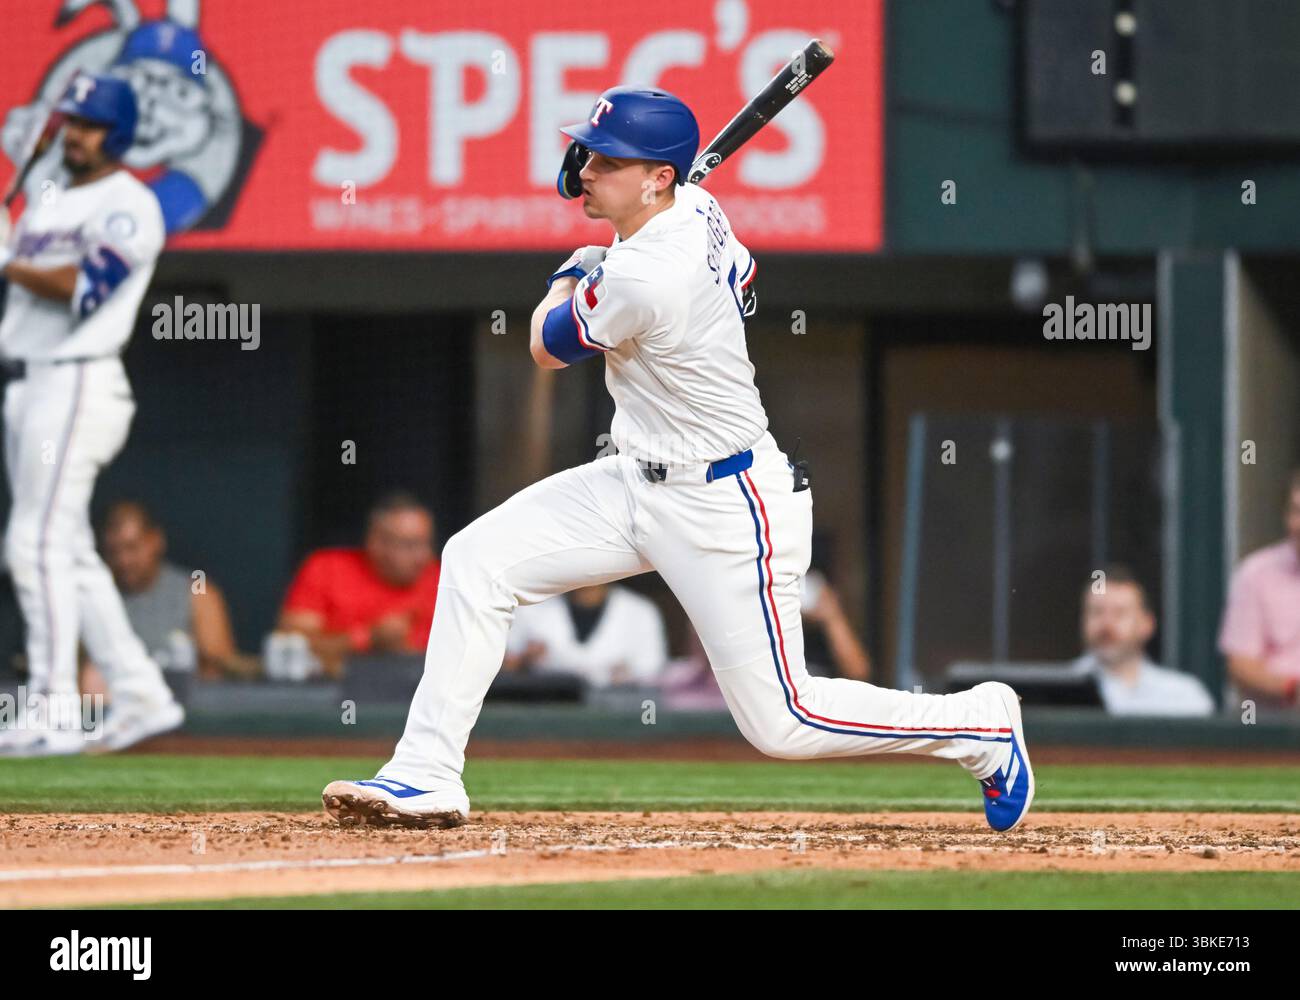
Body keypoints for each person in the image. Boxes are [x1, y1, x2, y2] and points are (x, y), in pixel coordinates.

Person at [322, 87, 1033, 833]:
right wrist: (613, 249)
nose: (587, 168)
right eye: (590, 152)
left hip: (726, 501)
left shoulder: (645, 273)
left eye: (608, 159)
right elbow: (746, 278)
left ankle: (980, 725)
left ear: (659, 177)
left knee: (782, 721)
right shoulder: (693, 210)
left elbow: (544, 344)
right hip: (634, 478)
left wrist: (574, 270)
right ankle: (426, 772)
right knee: (477, 559)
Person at [0, 72, 183, 756]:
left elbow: (85, 290)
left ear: (120, 132)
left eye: (91, 123)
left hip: (78, 380)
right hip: (28, 383)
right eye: (71, 120)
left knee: (32, 544)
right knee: (69, 552)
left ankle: (50, 707)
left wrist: (6, 259)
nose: (76, 133)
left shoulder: (130, 203)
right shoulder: (48, 199)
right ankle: (140, 693)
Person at [277, 492, 440, 679]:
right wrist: (368, 639)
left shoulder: (444, 579)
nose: (423, 556)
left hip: (418, 698)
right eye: (410, 545)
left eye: (427, 544)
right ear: (376, 543)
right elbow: (289, 646)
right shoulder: (327, 569)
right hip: (335, 697)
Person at [97, 500, 257, 683]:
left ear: (156, 540)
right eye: (114, 551)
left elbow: (219, 664)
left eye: (132, 548)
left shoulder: (197, 585)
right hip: (118, 702)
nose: (123, 561)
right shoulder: (96, 596)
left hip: (186, 704)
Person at [1070, 567, 1214, 716]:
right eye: (1096, 612)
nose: (1107, 624)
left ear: (1147, 624)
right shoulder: (1060, 691)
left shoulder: (1185, 698)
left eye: (1120, 613)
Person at [1218, 469, 1300, 710]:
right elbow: (1240, 665)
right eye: (1295, 511)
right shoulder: (1257, 573)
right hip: (1277, 729)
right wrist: (1291, 689)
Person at [503, 583, 669, 688]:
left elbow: (652, 675)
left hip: (616, 714)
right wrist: (524, 661)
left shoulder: (640, 611)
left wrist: (626, 675)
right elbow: (502, 668)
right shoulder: (531, 607)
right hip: (544, 709)